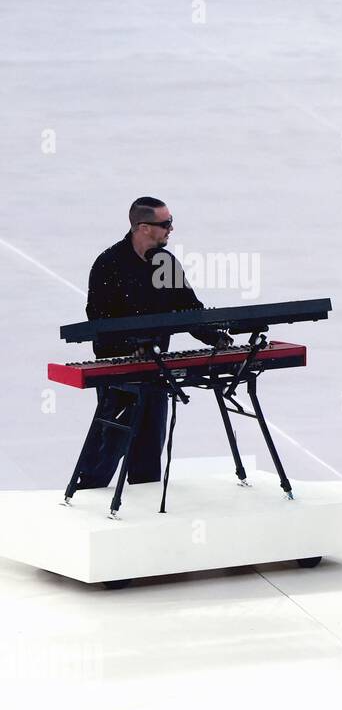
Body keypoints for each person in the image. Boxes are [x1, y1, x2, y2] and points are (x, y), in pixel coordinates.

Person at [75, 197, 230, 490]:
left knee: (148, 451)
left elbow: (188, 311)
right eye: (165, 224)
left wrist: (216, 337)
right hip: (118, 372)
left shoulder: (165, 263)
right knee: (107, 450)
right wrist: (131, 345)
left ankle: (143, 511)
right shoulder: (109, 264)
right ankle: (85, 500)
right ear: (143, 227)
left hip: (156, 370)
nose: (171, 229)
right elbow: (99, 321)